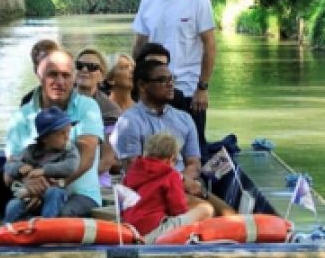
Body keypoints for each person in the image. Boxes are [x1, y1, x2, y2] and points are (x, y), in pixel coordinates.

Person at [114, 60, 229, 215]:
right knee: (208, 210)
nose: (170, 84)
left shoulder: (185, 119)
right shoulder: (129, 122)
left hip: (186, 185)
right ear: (142, 85)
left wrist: (183, 181)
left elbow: (194, 162)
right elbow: (134, 170)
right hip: (150, 193)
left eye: (171, 79)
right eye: (162, 80)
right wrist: (177, 181)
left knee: (230, 214)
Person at [3, 47, 103, 218]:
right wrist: (30, 185)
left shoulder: (88, 107)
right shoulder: (21, 116)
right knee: (13, 210)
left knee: (63, 214)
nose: (60, 81)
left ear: (73, 78)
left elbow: (86, 157)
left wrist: (53, 185)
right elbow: (8, 173)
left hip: (81, 195)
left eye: (65, 75)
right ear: (39, 77)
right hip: (32, 194)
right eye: (52, 74)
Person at [131, 0, 216, 140]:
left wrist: (202, 88)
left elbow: (210, 47)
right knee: (155, 147)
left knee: (192, 150)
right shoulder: (147, 2)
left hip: (188, 90)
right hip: (154, 90)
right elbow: (139, 48)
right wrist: (136, 86)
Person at [118, 131, 211, 241]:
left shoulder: (132, 171)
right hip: (154, 231)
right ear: (171, 158)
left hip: (129, 229)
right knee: (206, 210)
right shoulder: (170, 175)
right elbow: (178, 209)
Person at [5, 108, 85, 222]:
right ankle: (8, 231)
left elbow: (71, 166)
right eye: (62, 133)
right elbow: (9, 165)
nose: (67, 137)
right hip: (30, 194)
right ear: (45, 138)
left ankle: (47, 225)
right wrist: (19, 168)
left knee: (54, 193)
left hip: (56, 192)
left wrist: (44, 170)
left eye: (68, 132)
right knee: (13, 205)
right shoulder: (31, 151)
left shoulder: (69, 150)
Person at [73, 46, 123, 123]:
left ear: (102, 76)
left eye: (92, 67)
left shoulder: (110, 110)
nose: (84, 69)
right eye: (79, 65)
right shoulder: (61, 99)